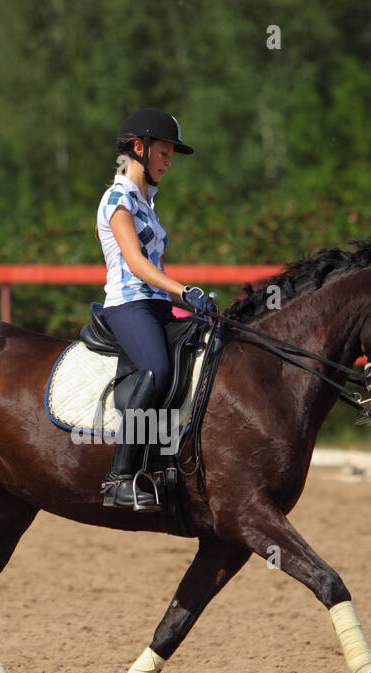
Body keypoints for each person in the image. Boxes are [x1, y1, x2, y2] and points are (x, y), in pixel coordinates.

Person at [95, 108, 218, 511]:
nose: (169, 161)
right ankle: (119, 479)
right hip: (129, 305)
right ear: (138, 148)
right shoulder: (117, 199)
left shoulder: (147, 200)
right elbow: (137, 264)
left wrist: (190, 302)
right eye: (164, 152)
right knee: (157, 371)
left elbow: (156, 270)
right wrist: (187, 291)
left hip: (158, 304)